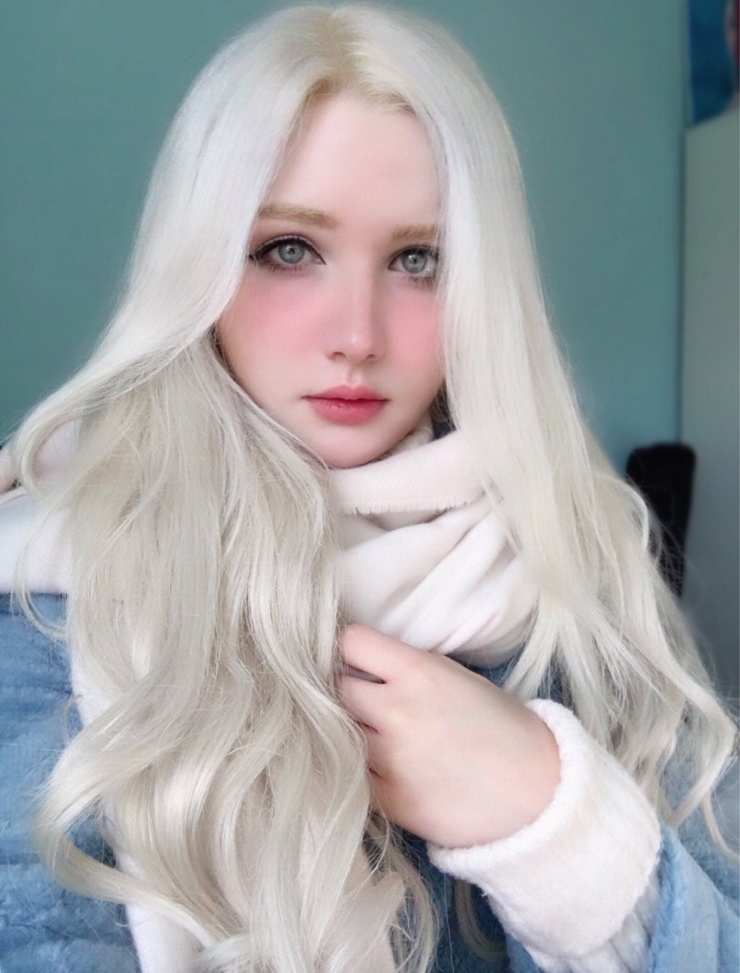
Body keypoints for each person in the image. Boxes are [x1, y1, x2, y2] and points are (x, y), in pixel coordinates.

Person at [0, 5, 737, 972]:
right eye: (290, 249)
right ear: (200, 264)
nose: (358, 335)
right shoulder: (52, 600)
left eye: (417, 260)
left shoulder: (573, 568)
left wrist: (556, 825)